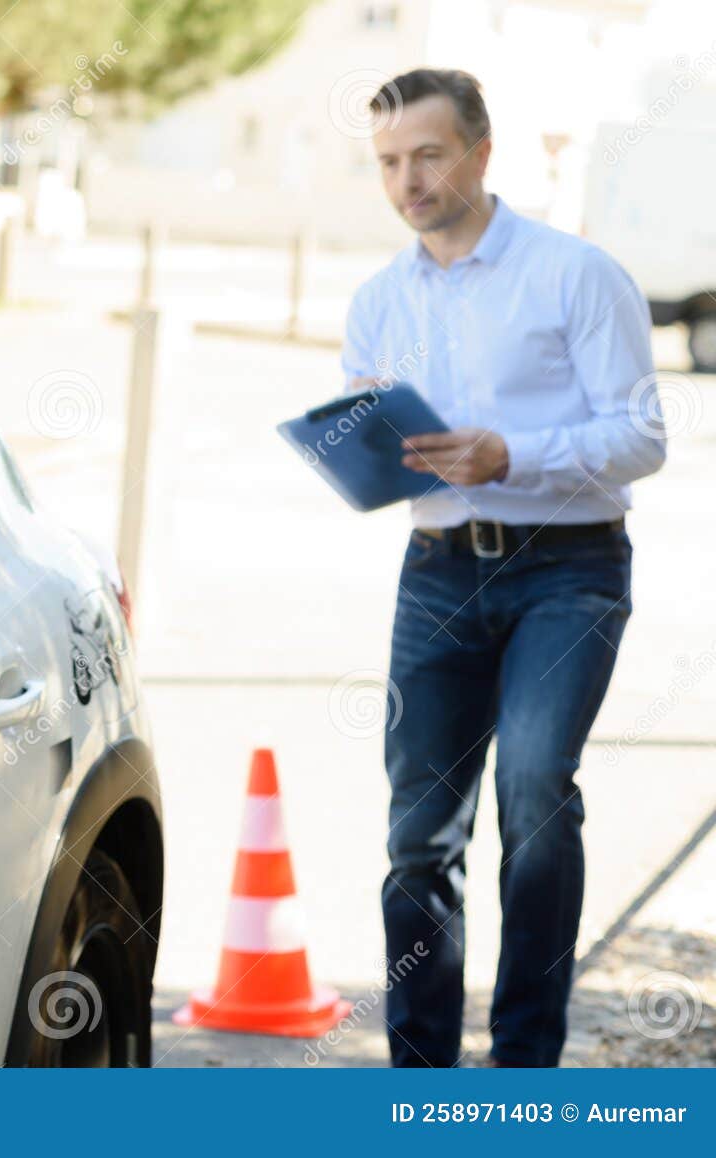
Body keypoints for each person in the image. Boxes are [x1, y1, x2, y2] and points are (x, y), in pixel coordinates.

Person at [342, 69, 667, 1067]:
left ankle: (524, 1065)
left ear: (482, 153)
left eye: (428, 154)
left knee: (533, 795)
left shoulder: (576, 274)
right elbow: (372, 447)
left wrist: (509, 455)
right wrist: (365, 448)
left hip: (564, 571)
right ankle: (421, 1074)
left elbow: (641, 436)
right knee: (419, 835)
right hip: (435, 569)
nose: (409, 179)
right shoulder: (378, 298)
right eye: (391, 161)